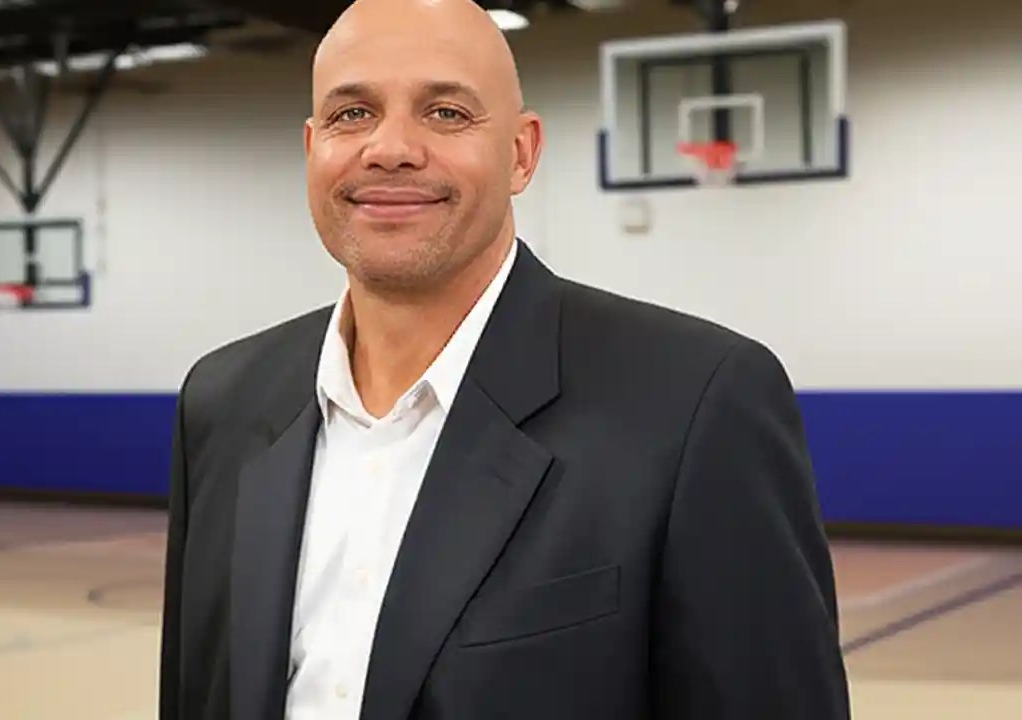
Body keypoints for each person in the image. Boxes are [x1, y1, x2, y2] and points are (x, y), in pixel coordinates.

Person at [159, 0, 851, 717]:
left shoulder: (696, 407)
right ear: (312, 149)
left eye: (447, 113)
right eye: (352, 114)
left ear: (521, 154)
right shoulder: (221, 403)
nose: (389, 147)